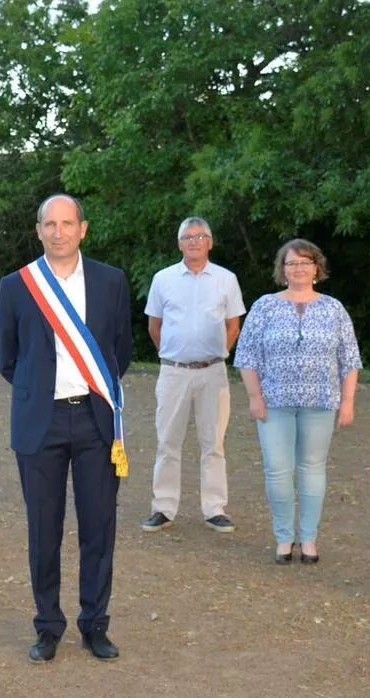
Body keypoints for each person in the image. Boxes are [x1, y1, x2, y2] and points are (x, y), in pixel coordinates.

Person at [0, 194, 132, 663]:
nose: (58, 232)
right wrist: (40, 391)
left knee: (99, 527)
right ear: (38, 230)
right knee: (43, 530)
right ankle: (48, 625)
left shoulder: (111, 280)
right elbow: (8, 358)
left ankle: (95, 624)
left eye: (67, 223)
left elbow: (121, 350)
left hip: (96, 421)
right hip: (41, 423)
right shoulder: (16, 285)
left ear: (82, 229)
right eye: (49, 224)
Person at [233, 239, 361, 565]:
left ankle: (309, 538)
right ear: (283, 269)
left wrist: (347, 402)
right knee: (277, 471)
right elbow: (246, 355)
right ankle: (283, 538)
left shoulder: (333, 308)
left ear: (317, 267)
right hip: (274, 402)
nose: (299, 268)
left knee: (312, 469)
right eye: (292, 263)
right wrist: (254, 397)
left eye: (305, 262)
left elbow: (349, 359)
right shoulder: (265, 306)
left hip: (320, 402)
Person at [140, 217, 246, 535]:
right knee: (167, 442)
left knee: (213, 443)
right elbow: (154, 325)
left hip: (213, 372)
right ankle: (163, 508)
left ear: (210, 242)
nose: (194, 242)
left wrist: (217, 355)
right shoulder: (163, 279)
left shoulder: (226, 279)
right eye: (187, 237)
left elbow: (233, 325)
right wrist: (174, 355)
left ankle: (214, 509)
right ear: (179, 244)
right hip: (173, 372)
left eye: (200, 236)